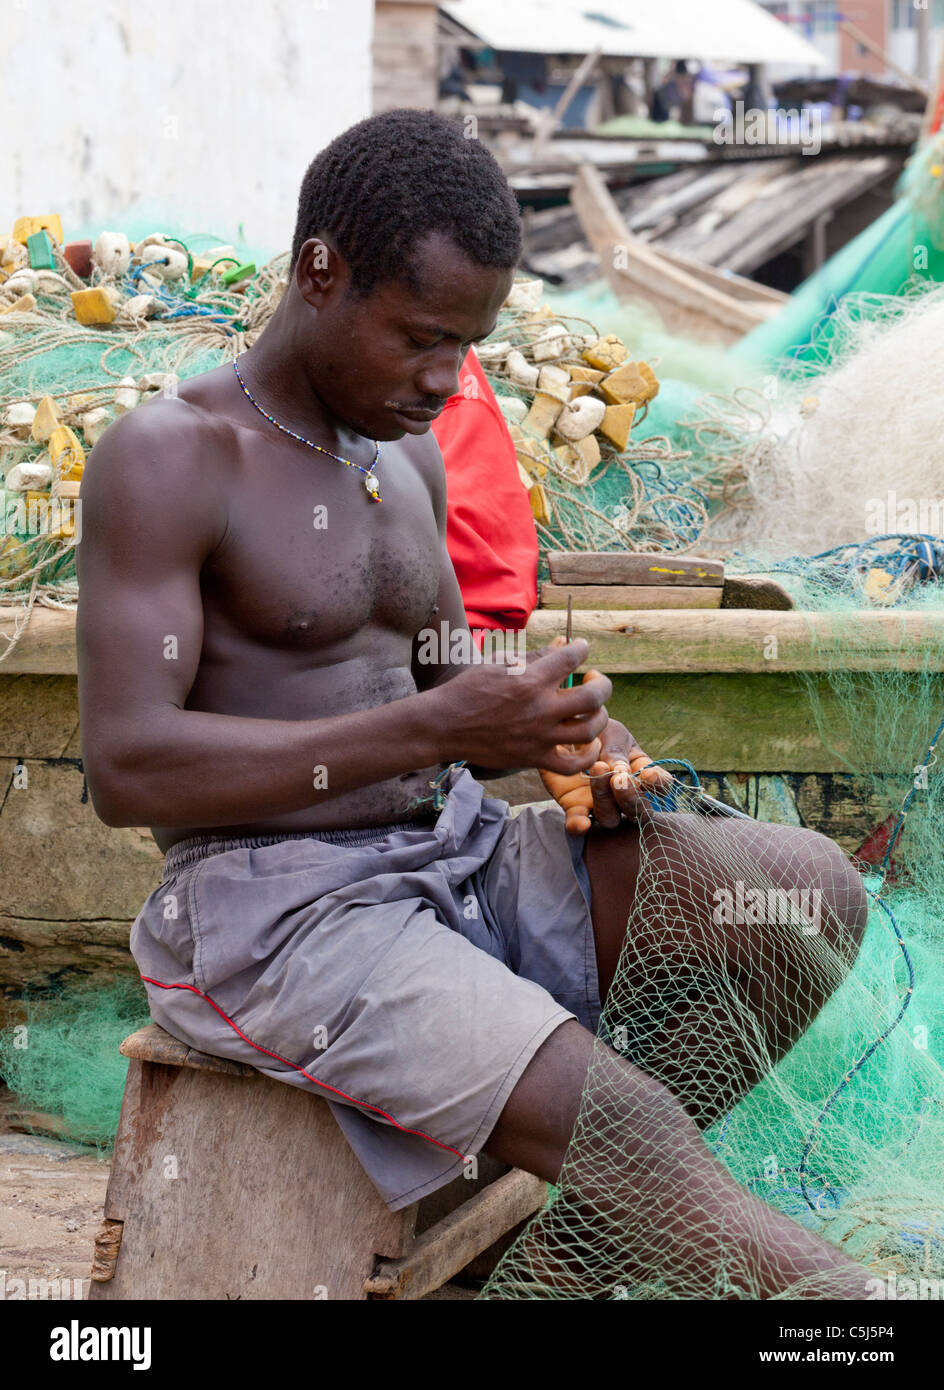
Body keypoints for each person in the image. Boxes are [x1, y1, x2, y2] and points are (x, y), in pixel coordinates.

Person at [76, 109, 869, 1298]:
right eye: (421, 339)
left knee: (805, 898)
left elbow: (443, 652)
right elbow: (127, 768)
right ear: (319, 272)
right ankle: (843, 1309)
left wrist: (561, 722)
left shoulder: (407, 454)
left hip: (454, 855)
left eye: (471, 346)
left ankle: (541, 1264)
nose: (447, 381)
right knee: (623, 1119)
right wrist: (440, 732)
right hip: (273, 913)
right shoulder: (171, 456)